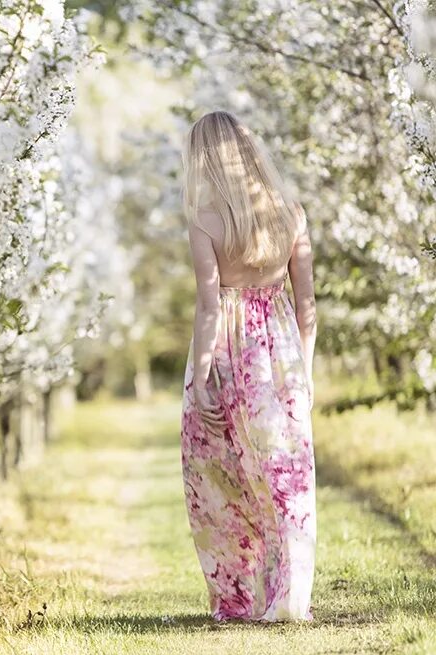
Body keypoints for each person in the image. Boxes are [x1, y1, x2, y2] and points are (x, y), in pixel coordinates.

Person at [180, 110, 317, 622]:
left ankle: (238, 597)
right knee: (285, 475)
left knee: (219, 477)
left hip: (228, 352)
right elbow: (307, 309)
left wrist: (203, 379)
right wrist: (305, 375)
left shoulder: (205, 223)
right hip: (279, 356)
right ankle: (287, 599)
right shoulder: (292, 214)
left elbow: (211, 306)